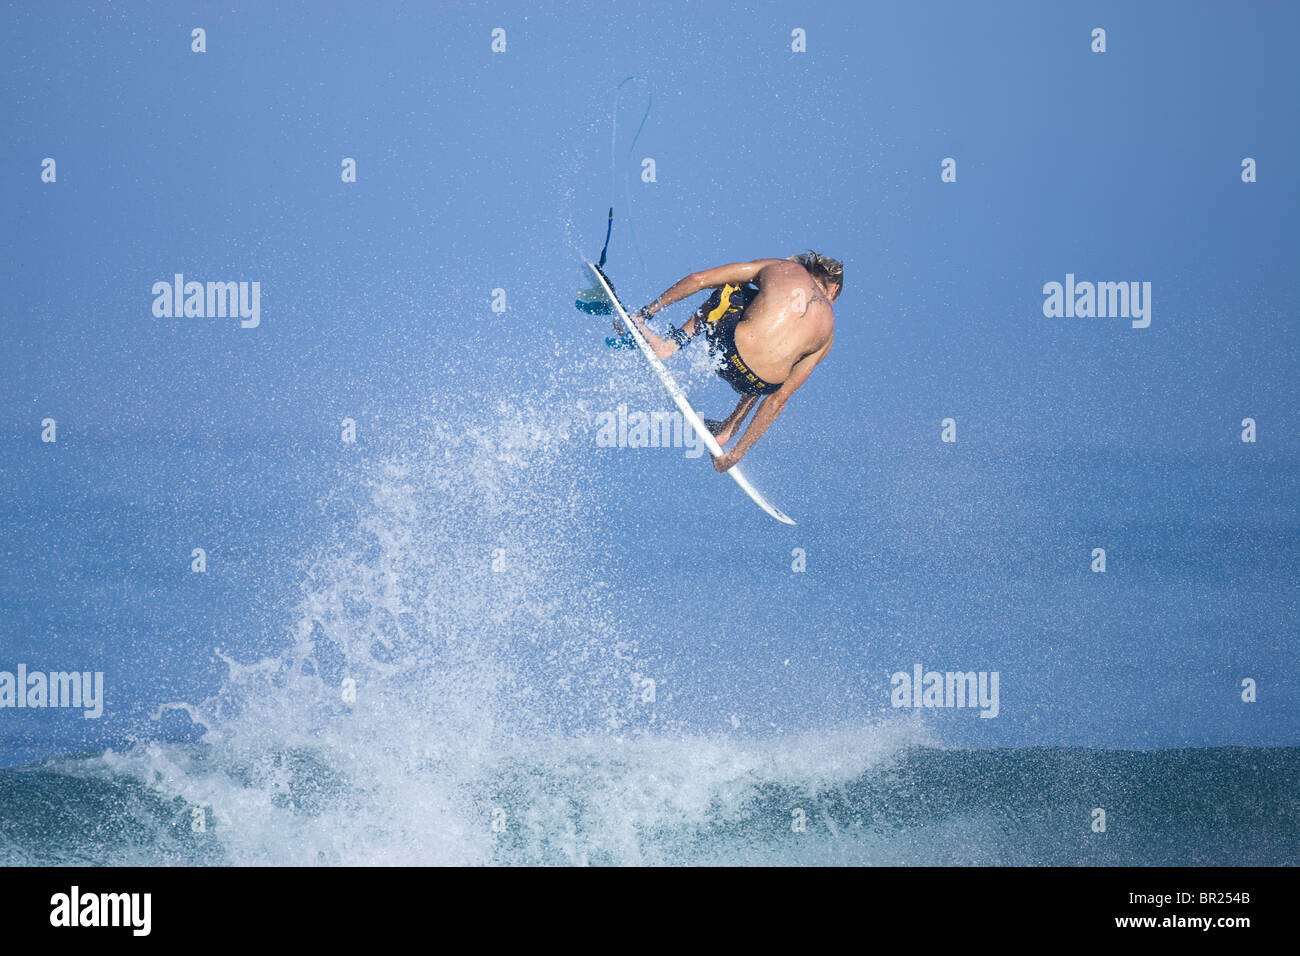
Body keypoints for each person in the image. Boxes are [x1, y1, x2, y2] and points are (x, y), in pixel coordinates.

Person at [620, 252, 841, 472]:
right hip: (756, 384)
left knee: (729, 289)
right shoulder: (828, 334)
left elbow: (699, 280)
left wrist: (645, 313)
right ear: (834, 290)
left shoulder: (784, 269)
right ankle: (728, 428)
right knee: (782, 360)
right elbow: (777, 401)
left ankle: (668, 346)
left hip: (730, 352)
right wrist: (737, 453)